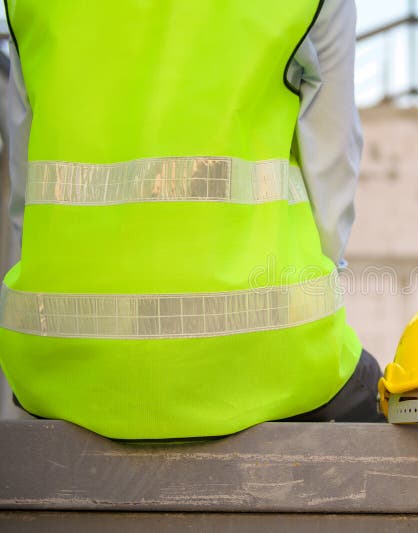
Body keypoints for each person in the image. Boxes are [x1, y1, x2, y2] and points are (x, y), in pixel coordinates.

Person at [0, 0, 384, 439]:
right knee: (379, 409)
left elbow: (27, 184)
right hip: (271, 351)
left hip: (58, 362)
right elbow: (331, 167)